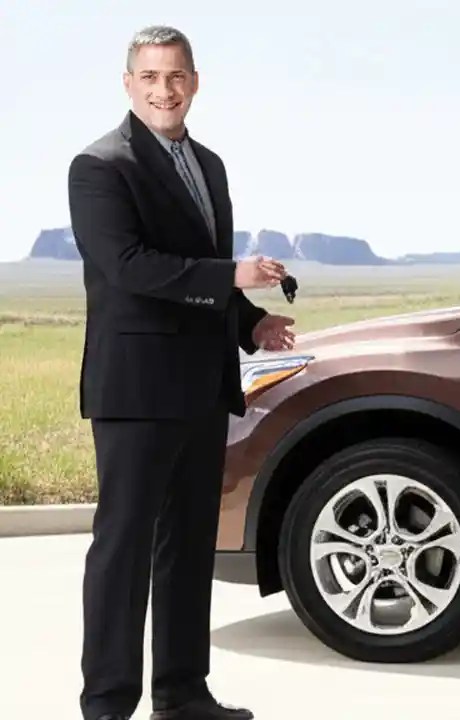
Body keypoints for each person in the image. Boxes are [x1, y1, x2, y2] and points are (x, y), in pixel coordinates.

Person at [69, 25, 296, 720]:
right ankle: (107, 704)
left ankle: (182, 692)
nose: (164, 89)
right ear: (129, 83)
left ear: (194, 82)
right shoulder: (100, 167)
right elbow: (131, 269)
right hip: (136, 390)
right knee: (123, 551)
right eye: (150, 77)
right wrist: (232, 273)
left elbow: (199, 275)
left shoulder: (211, 165)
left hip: (201, 385)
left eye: (176, 76)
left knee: (189, 548)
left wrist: (249, 319)